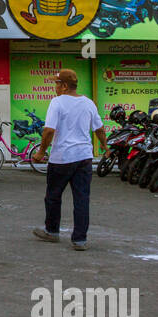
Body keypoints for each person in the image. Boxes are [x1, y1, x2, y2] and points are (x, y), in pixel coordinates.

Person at [31, 68, 106, 250]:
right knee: (82, 198)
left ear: (64, 86)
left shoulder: (57, 103)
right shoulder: (88, 103)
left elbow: (49, 130)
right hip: (84, 158)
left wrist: (41, 152)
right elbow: (99, 128)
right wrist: (105, 146)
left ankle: (52, 231)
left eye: (56, 84)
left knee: (53, 196)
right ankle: (80, 240)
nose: (54, 87)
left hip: (62, 158)